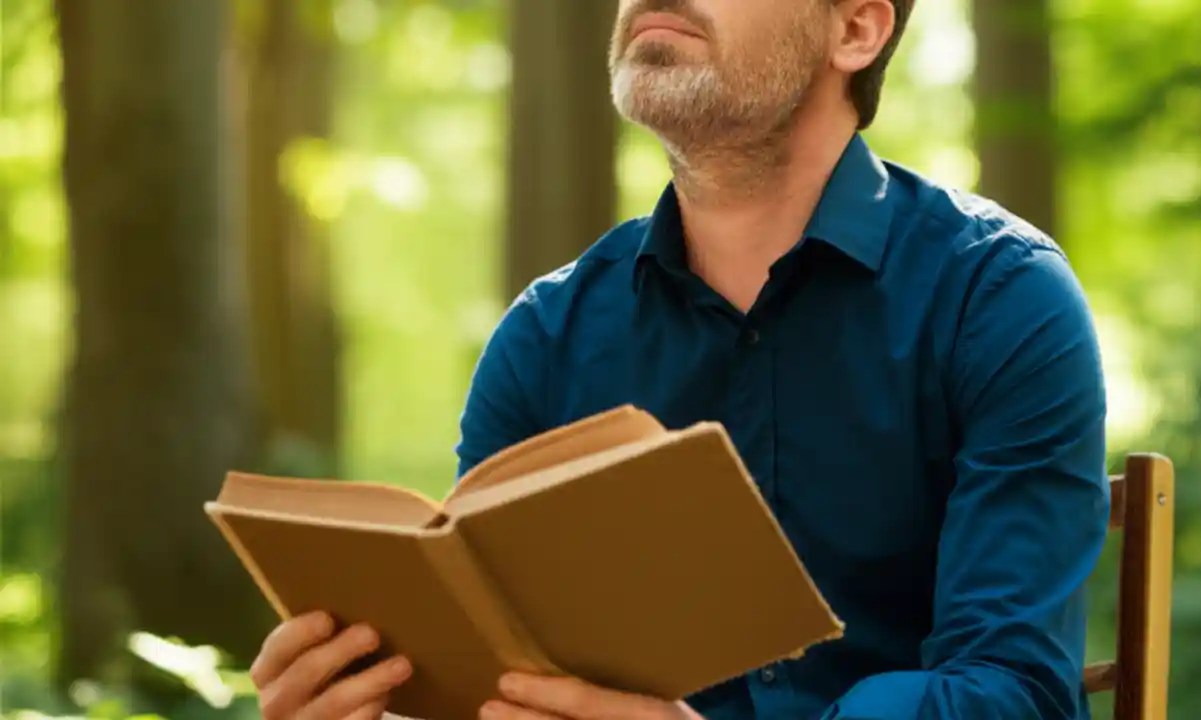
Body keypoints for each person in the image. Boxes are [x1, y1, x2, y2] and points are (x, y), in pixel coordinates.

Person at [248, 0, 1111, 718]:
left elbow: (1014, 696)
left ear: (855, 28)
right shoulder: (546, 336)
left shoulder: (998, 299)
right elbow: (499, 680)